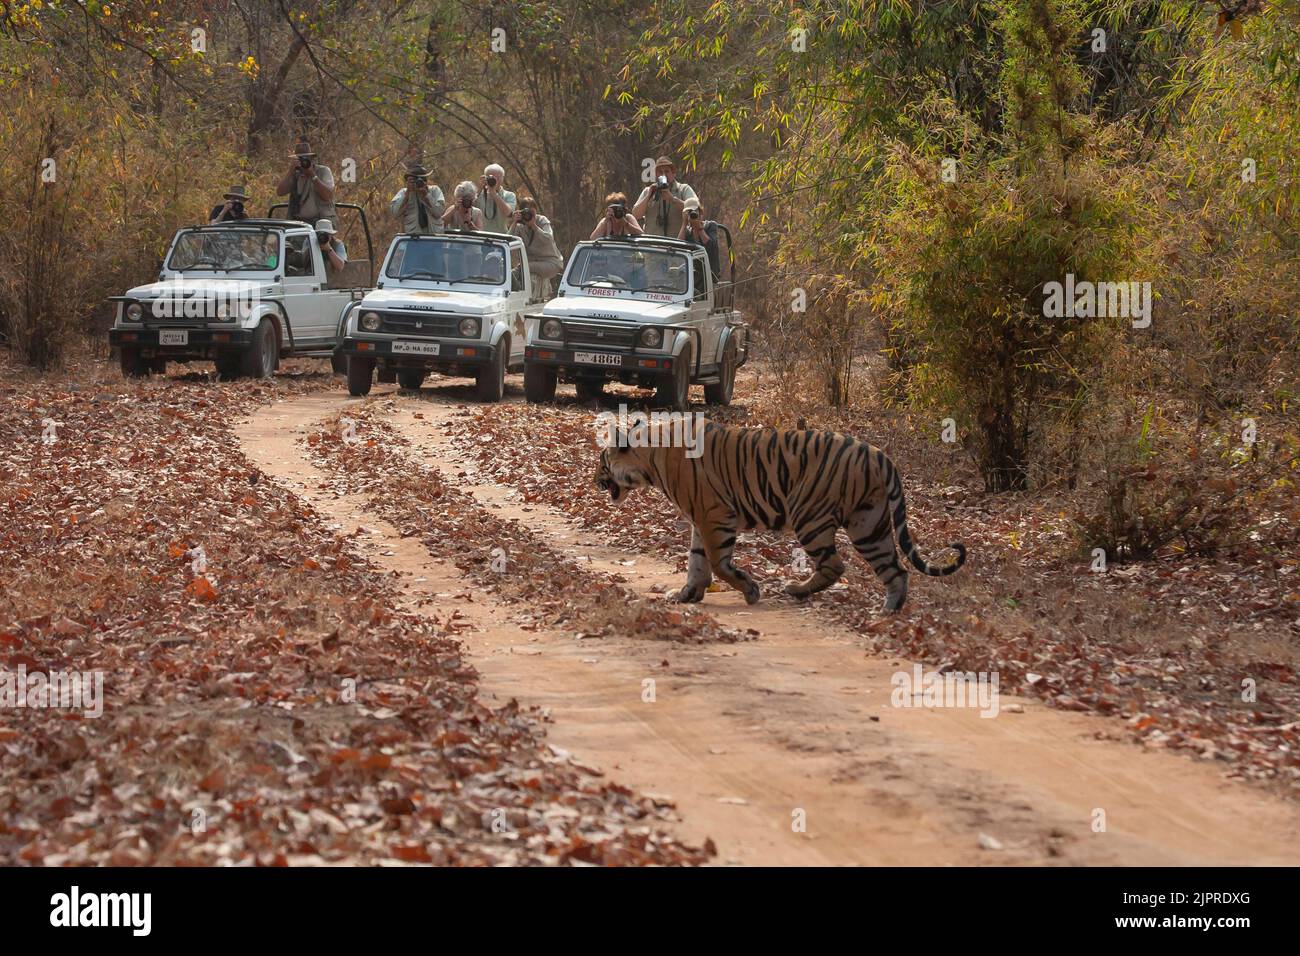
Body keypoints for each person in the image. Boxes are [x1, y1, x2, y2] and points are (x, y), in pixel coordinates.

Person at [511, 195, 563, 300]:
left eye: (532, 212)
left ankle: (524, 297)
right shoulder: (520, 226)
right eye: (526, 212)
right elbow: (508, 241)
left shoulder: (542, 220)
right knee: (512, 273)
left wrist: (534, 225)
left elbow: (549, 239)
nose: (529, 215)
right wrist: (514, 222)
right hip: (531, 262)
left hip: (550, 262)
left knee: (523, 268)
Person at [632, 155, 698, 238]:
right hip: (652, 245)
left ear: (673, 173)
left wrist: (672, 198)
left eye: (667, 171)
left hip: (677, 245)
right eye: (660, 172)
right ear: (656, 174)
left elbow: (695, 210)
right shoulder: (649, 191)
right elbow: (636, 214)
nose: (663, 175)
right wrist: (649, 195)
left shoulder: (683, 189)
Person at [276, 141, 336, 224]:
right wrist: (290, 171)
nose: (302, 162)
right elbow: (280, 192)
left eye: (305, 159)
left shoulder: (323, 171)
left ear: (311, 159)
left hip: (320, 222)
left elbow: (328, 196)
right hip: (298, 223)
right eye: (299, 159)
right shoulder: (294, 174)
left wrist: (313, 176)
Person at [389, 163, 445, 235]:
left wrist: (426, 195)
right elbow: (395, 213)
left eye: (423, 179)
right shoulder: (404, 193)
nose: (419, 182)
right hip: (413, 237)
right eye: (414, 180)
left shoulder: (435, 190)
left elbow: (439, 212)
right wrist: (407, 194)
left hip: (434, 236)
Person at [677, 198, 721, 280]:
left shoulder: (710, 226)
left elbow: (711, 247)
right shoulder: (687, 231)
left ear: (700, 212)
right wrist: (684, 223)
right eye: (689, 212)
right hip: (693, 275)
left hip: (710, 276)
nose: (692, 214)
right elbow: (678, 247)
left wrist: (699, 228)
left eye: (694, 211)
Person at [475, 163, 516, 232]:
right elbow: (468, 210)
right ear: (485, 178)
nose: (494, 180)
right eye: (491, 177)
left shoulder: (509, 195)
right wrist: (479, 189)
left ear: (502, 178)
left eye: (497, 177)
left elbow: (508, 213)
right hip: (481, 236)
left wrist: (493, 193)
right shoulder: (478, 194)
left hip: (500, 237)